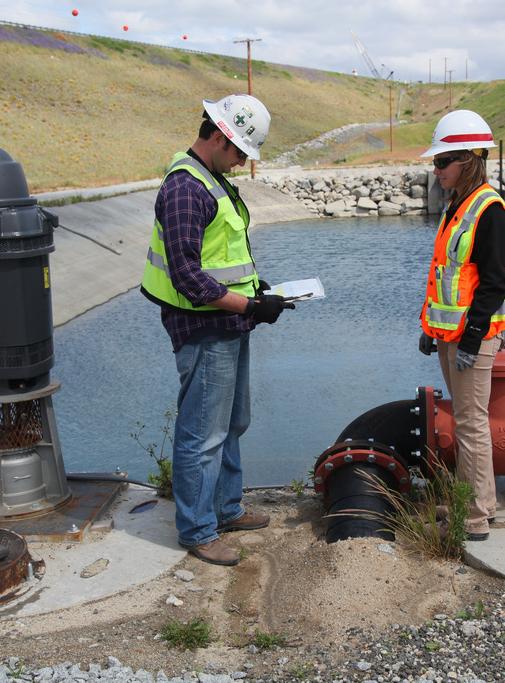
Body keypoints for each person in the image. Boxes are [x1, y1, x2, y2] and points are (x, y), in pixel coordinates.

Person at [141, 94, 294, 566]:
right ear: (220, 136)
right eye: (241, 152)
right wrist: (251, 303)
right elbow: (188, 276)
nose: (244, 162)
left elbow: (218, 259)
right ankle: (199, 531)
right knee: (201, 435)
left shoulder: (213, 179)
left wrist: (255, 290)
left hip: (228, 322)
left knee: (231, 424)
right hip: (204, 329)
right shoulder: (187, 189)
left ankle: (226, 508)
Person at [417, 110, 505, 542]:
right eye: (435, 163)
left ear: (469, 159)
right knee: (467, 421)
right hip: (450, 337)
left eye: (442, 162)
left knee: (471, 424)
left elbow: (494, 285)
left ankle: (474, 516)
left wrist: (473, 338)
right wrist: (431, 328)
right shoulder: (459, 206)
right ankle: (478, 501)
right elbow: (447, 274)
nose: (435, 171)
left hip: (472, 339)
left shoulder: (489, 209)